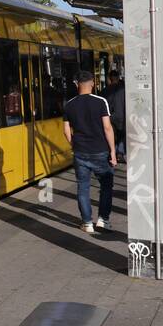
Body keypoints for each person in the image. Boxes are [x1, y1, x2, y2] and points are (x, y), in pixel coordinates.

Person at [63, 70, 117, 233]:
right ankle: (103, 220)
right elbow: (107, 128)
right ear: (93, 83)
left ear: (76, 84)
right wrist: (113, 152)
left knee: (83, 188)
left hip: (80, 152)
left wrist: (74, 144)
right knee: (106, 186)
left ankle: (87, 223)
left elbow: (66, 130)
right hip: (100, 150)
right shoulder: (101, 101)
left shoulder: (69, 104)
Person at [104, 70, 126, 162]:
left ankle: (113, 152)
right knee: (122, 135)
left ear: (109, 79)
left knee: (112, 135)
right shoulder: (124, 90)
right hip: (122, 116)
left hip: (110, 117)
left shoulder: (105, 90)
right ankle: (120, 152)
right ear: (118, 78)